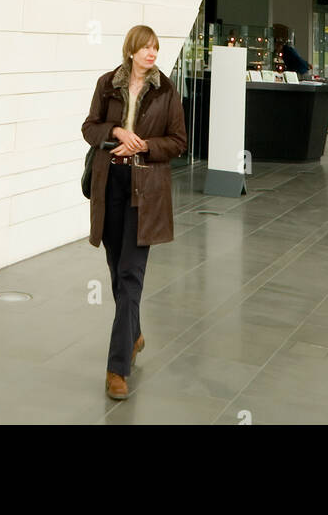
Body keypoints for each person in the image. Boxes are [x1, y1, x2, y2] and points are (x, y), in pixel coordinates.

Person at [81, 25, 187, 401]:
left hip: (146, 191)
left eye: (155, 48)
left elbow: (178, 141)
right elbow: (88, 127)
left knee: (130, 275)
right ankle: (135, 333)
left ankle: (117, 368)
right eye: (145, 48)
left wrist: (141, 146)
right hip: (109, 184)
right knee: (116, 271)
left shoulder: (167, 89)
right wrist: (115, 132)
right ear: (131, 50)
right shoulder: (107, 83)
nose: (152, 53)